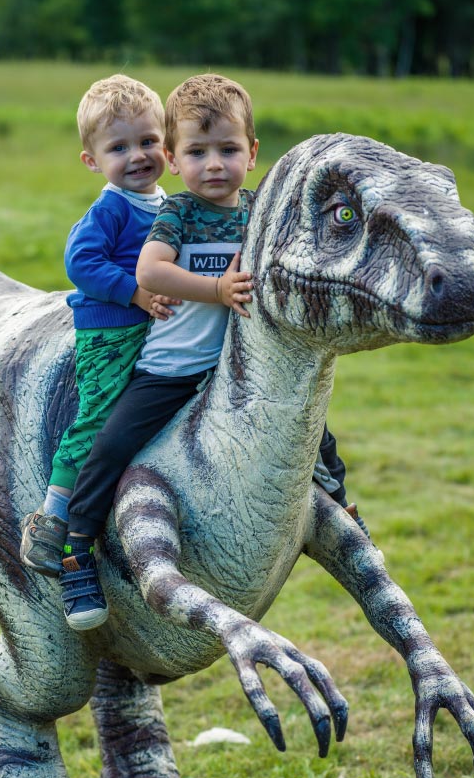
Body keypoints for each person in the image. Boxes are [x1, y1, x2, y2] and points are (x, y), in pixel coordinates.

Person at [55, 73, 365, 632]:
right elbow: (150, 270)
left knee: (314, 426)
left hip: (236, 368)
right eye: (198, 152)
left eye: (227, 150)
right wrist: (217, 290)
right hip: (172, 369)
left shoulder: (256, 211)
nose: (214, 165)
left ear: (252, 152)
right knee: (111, 445)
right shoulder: (176, 213)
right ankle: (76, 550)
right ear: (174, 159)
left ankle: (341, 512)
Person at [20, 74, 179, 579]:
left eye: (148, 141)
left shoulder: (167, 203)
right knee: (99, 414)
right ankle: (53, 516)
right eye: (119, 147)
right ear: (93, 161)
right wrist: (135, 292)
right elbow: (80, 262)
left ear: (167, 145)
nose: (137, 156)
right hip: (110, 329)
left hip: (152, 324)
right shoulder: (110, 208)